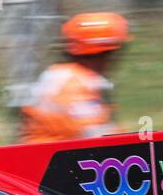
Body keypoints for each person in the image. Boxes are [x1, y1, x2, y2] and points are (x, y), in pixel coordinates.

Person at [21, 12, 130, 143]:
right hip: (52, 158)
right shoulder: (77, 84)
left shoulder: (61, 74)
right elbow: (95, 135)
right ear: (104, 52)